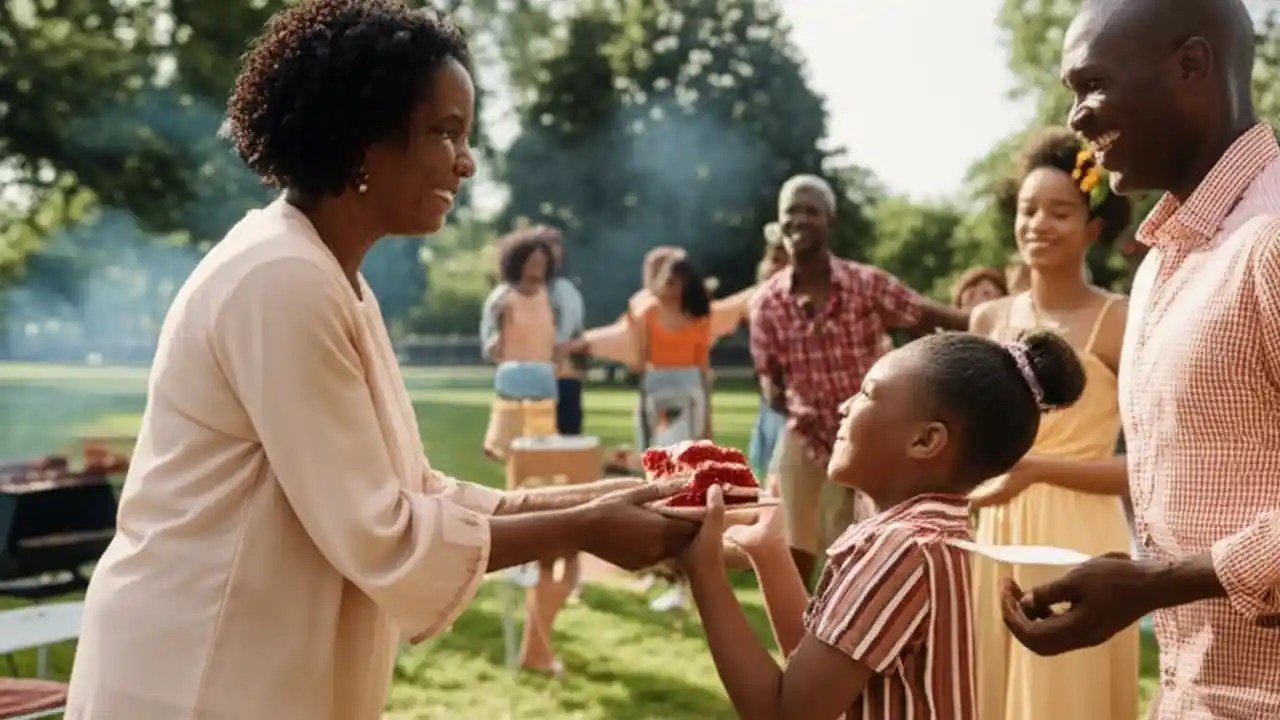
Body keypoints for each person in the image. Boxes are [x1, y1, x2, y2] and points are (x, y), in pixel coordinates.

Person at [63, 3, 697, 717]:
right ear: (365, 141)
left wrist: (605, 499)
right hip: (199, 673)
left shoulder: (328, 274)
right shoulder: (281, 278)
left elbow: (414, 489)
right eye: (446, 132)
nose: (468, 159)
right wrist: (587, 530)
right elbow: (385, 531)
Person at [1000, 1, 1280, 717]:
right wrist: (1145, 578)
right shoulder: (1159, 267)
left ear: (1191, 65)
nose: (1077, 120)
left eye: (1092, 85)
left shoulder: (1272, 240)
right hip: (1188, 693)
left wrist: (1157, 586)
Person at [671, 328, 1087, 719]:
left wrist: (704, 572)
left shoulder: (900, 551)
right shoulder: (927, 534)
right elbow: (824, 665)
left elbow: (785, 713)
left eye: (867, 393)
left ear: (925, 441)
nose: (843, 405)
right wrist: (770, 552)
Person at [967, 128, 1136, 720]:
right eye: (1028, 209)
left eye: (1059, 212)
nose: (1038, 223)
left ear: (1093, 228)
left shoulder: (1121, 321)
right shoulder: (987, 319)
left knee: (1062, 695)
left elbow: (1147, 467)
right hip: (990, 537)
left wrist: (1036, 469)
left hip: (1079, 536)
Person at [749, 174, 971, 586]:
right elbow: (772, 385)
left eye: (810, 211)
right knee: (790, 539)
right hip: (803, 432)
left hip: (869, 429)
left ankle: (842, 627)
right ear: (778, 224)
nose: (799, 219)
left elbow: (925, 315)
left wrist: (994, 320)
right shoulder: (766, 303)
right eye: (790, 212)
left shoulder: (864, 284)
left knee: (848, 541)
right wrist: (804, 411)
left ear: (830, 220)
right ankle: (796, 627)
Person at [479, 230, 560, 461]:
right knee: (510, 448)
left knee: (543, 448)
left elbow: (558, 337)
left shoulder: (552, 297)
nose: (538, 268)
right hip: (512, 376)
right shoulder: (502, 298)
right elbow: (490, 345)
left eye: (542, 263)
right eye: (533, 262)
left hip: (544, 376)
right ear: (519, 262)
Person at [748, 224, 791, 497]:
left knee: (782, 479)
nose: (770, 266)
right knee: (769, 476)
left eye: (778, 258)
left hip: (793, 406)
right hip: (770, 401)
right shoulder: (762, 299)